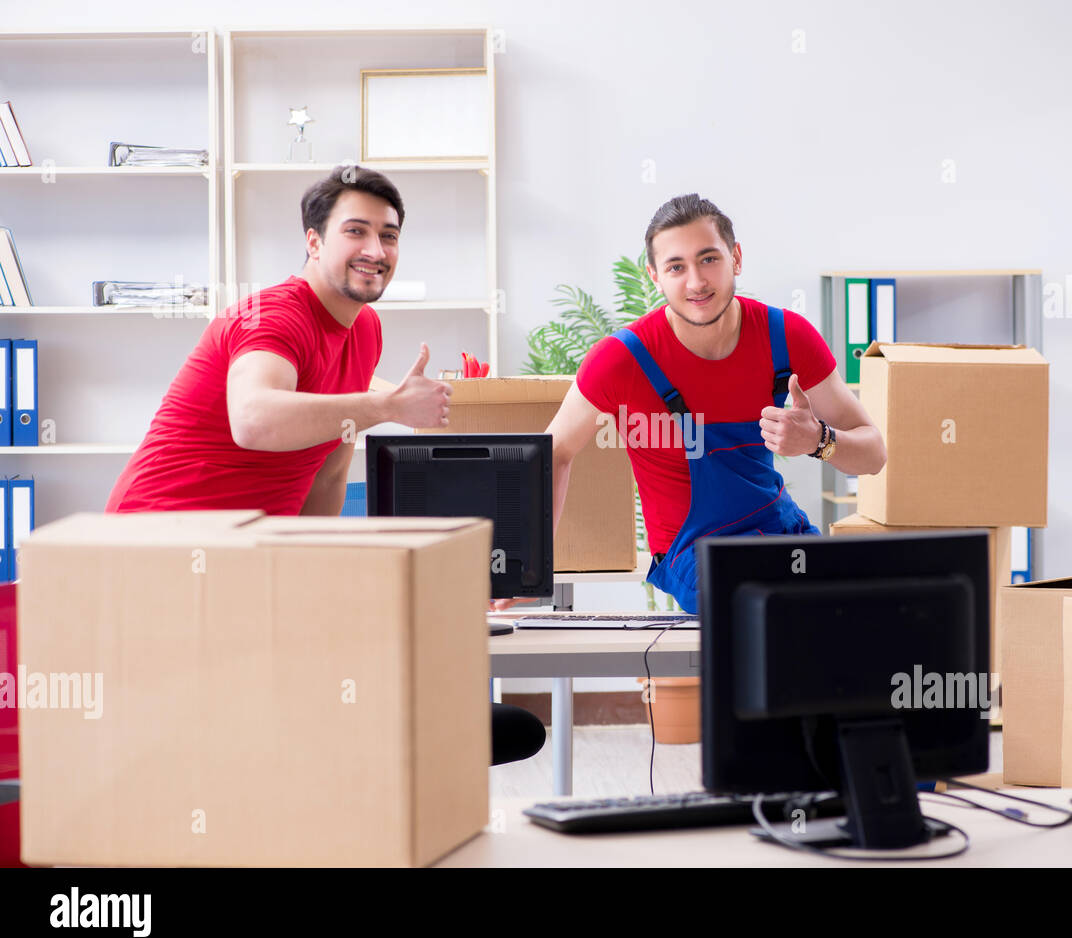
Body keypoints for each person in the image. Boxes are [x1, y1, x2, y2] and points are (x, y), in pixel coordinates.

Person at [106, 165, 545, 766]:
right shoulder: (274, 318)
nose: (375, 250)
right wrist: (386, 405)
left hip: (249, 561)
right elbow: (254, 419)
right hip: (163, 553)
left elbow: (331, 469)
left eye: (389, 236)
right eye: (356, 231)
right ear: (313, 241)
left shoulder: (364, 329)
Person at [545, 194, 887, 613]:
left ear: (735, 258)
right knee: (764, 609)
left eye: (708, 259)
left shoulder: (786, 337)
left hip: (781, 536)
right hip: (693, 556)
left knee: (869, 603)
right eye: (676, 267)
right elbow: (553, 453)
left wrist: (818, 439)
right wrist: (526, 569)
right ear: (654, 275)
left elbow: (873, 454)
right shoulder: (622, 359)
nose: (696, 282)